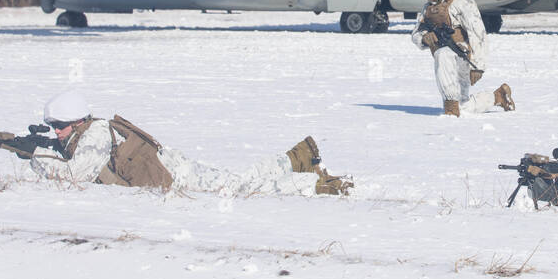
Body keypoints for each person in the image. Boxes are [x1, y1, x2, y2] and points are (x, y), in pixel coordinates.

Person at [27, 89, 351, 196]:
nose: (56, 133)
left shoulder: (95, 135)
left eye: (59, 127)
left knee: (236, 188)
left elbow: (73, 176)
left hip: (174, 174)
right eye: (53, 128)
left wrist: (34, 154)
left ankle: (317, 186)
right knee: (236, 181)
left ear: (77, 122)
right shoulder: (91, 131)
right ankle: (298, 159)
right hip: (169, 165)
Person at [410, 0, 514, 117]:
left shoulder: (462, 3)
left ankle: (450, 105)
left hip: (463, 58)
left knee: (443, 54)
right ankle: (498, 97)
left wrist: (478, 66)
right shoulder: (428, 8)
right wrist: (424, 39)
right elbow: (415, 33)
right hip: (447, 61)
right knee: (463, 107)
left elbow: (478, 34)